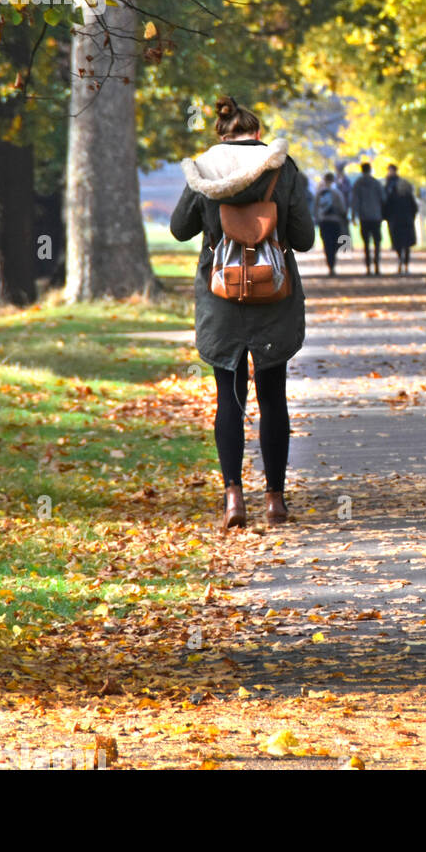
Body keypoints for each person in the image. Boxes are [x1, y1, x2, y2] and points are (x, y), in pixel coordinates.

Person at [169, 95, 314, 530]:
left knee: (228, 398)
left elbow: (179, 229)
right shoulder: (282, 167)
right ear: (256, 131)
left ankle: (234, 496)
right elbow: (303, 238)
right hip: (274, 295)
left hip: (221, 299)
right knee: (273, 396)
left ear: (222, 131)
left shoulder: (203, 170)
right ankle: (275, 499)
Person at [382, 164, 419, 275]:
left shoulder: (391, 193)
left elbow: (387, 206)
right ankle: (406, 265)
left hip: (396, 222)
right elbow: (414, 208)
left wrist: (386, 217)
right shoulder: (408, 196)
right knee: (406, 244)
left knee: (398, 243)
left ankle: (400, 262)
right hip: (407, 221)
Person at [350, 160, 384, 275]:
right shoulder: (376, 183)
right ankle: (377, 265)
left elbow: (355, 201)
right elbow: (383, 198)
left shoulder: (358, 183)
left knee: (366, 243)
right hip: (376, 216)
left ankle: (368, 267)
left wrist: (354, 215)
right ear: (370, 170)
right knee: (377, 242)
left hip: (364, 217)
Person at [314, 171, 349, 275]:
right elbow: (342, 207)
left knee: (326, 243)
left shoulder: (319, 193)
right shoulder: (337, 193)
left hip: (324, 221)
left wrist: (317, 218)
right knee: (334, 243)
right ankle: (332, 262)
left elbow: (315, 208)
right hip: (335, 221)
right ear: (333, 180)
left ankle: (330, 263)